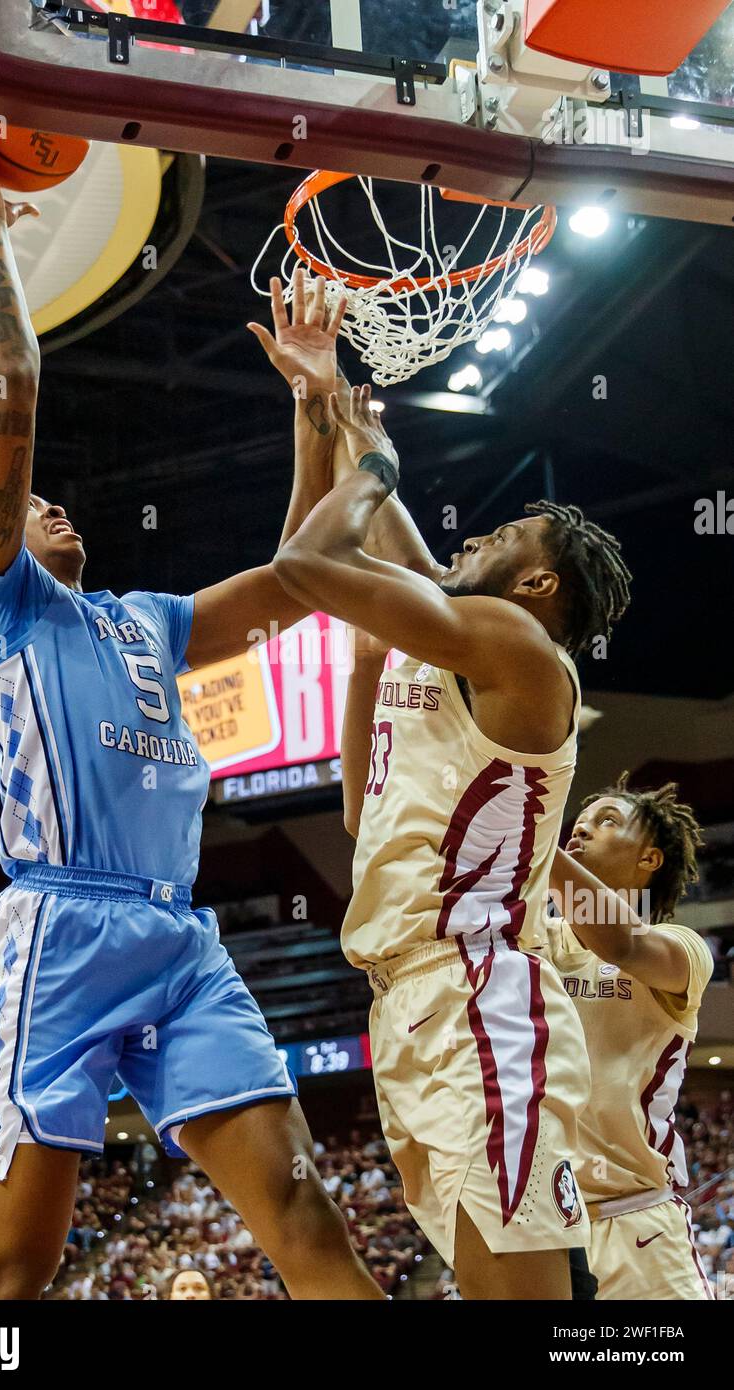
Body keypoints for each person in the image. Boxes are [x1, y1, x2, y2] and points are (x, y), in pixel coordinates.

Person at [0, 110, 382, 1302]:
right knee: (10, 1275)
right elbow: (8, 392)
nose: (47, 503)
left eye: (62, 498)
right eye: (28, 501)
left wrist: (312, 408)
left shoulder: (143, 617)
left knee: (302, 1210)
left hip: (178, 938)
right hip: (58, 933)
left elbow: (290, 586)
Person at [272, 382, 631, 1299]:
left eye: (499, 539)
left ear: (536, 585)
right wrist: (335, 411)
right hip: (412, 998)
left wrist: (380, 462)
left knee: (521, 1294)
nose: (468, 540)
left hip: (477, 990)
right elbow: (361, 816)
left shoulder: (513, 643)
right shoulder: (462, 639)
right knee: (491, 1284)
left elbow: (310, 560)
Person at [543, 775, 715, 1299]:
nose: (581, 831)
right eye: (578, 824)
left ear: (650, 859)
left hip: (635, 1226)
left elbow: (621, 943)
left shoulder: (680, 947)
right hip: (539, 1233)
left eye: (608, 821)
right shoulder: (529, 940)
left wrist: (538, 846)